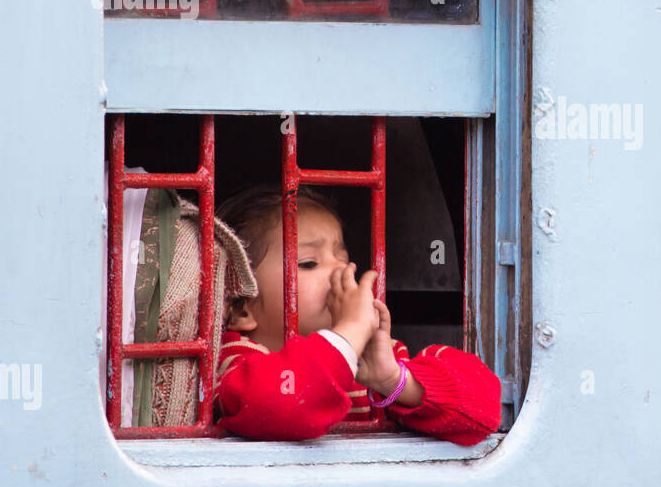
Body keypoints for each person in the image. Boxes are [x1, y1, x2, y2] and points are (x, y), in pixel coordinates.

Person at [213, 184, 500, 444]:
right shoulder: (234, 362)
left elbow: (484, 413)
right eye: (309, 263)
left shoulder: (370, 359)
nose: (341, 270)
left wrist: (394, 381)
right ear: (241, 309)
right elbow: (288, 403)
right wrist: (349, 332)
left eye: (343, 258)